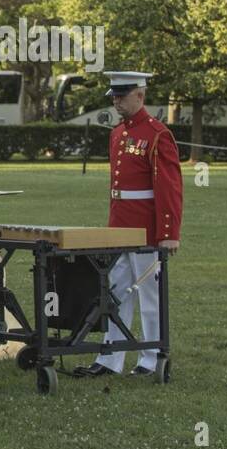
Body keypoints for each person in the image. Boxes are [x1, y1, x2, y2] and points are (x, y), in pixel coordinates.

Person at [75, 72, 182, 378]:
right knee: (114, 291)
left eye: (122, 95)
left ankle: (150, 359)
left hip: (146, 228)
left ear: (140, 95)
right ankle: (111, 358)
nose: (116, 100)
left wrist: (168, 233)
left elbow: (168, 188)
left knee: (149, 294)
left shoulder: (157, 134)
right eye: (114, 96)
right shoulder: (117, 133)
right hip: (119, 224)